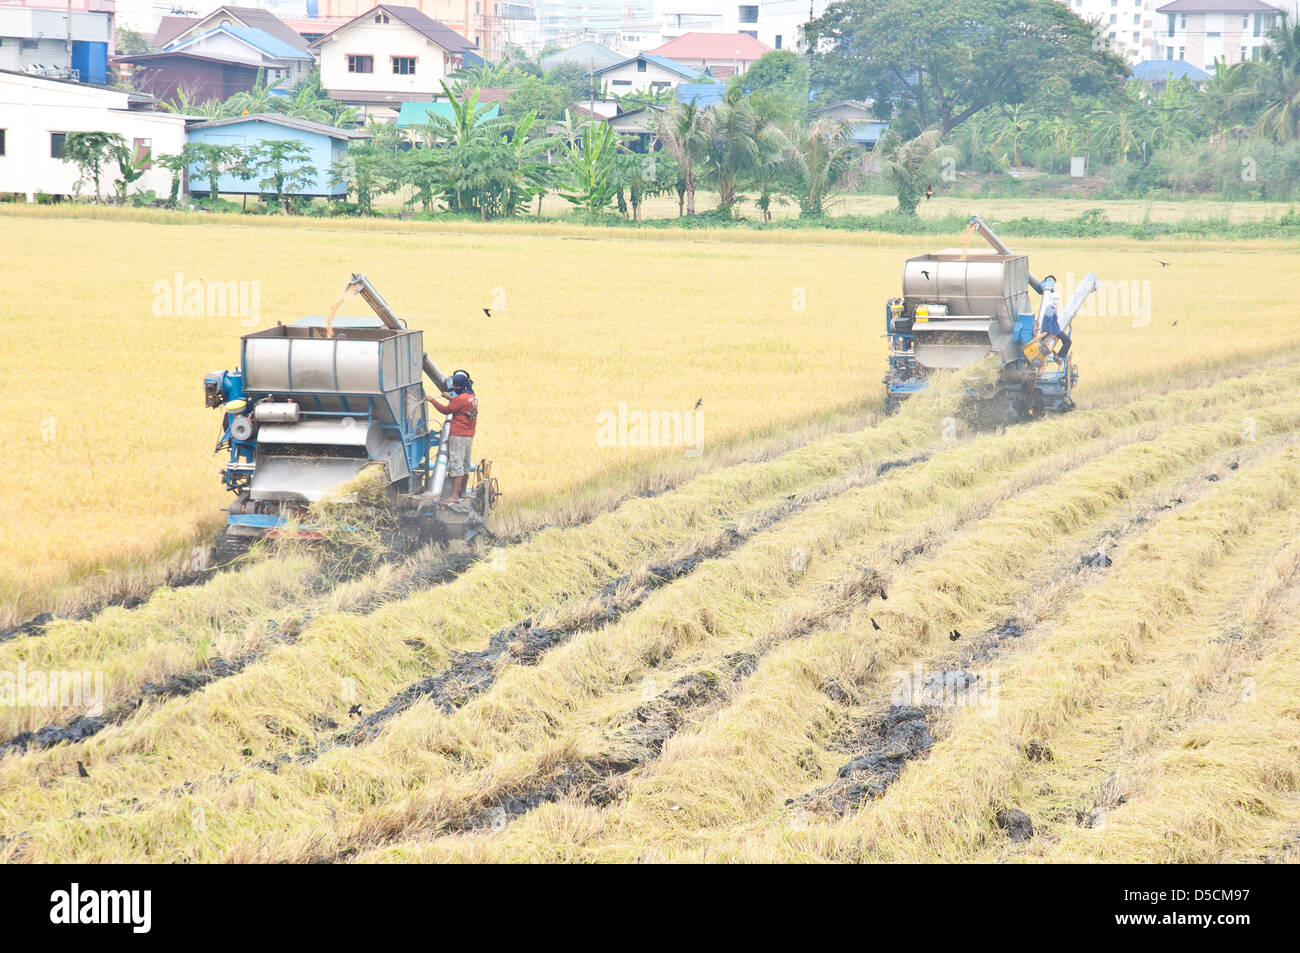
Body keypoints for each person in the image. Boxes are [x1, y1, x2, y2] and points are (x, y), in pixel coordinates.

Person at [427, 370, 478, 501]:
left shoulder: (460, 399)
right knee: (466, 464)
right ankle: (463, 493)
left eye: (455, 386)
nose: (454, 388)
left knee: (456, 464)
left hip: (458, 435)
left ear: (460, 386)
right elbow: (460, 405)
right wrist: (449, 398)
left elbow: (446, 410)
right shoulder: (471, 396)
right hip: (469, 434)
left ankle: (454, 495)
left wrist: (432, 401)